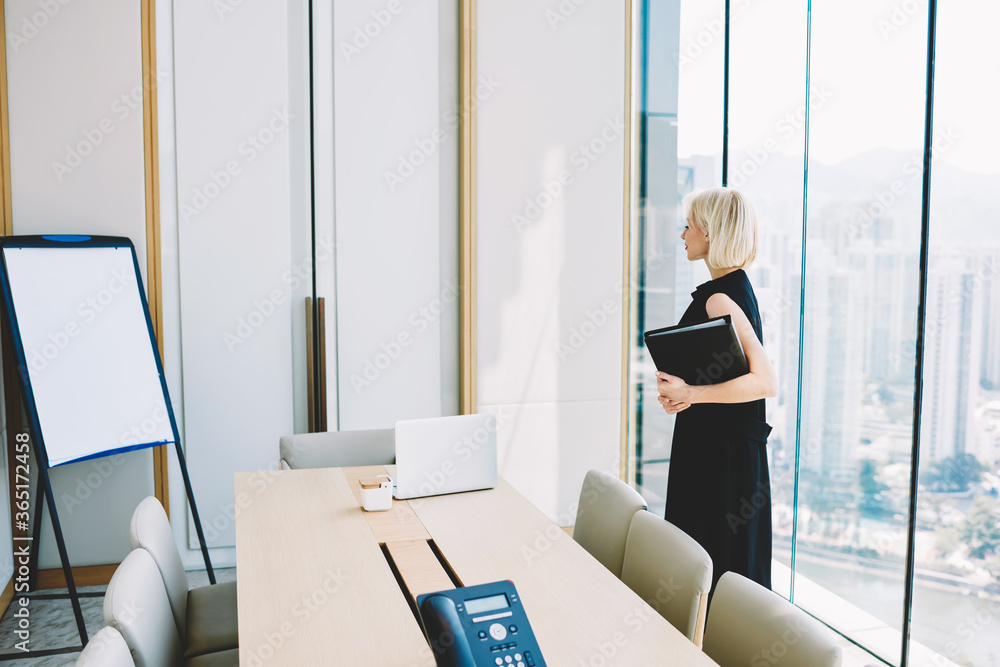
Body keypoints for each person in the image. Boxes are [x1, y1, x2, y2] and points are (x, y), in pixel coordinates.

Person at [655, 187, 778, 593]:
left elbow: (765, 382)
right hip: (717, 451)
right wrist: (685, 393)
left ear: (709, 233)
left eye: (688, 225)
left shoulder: (721, 298)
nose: (683, 234)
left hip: (721, 463)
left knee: (713, 571)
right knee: (714, 571)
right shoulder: (732, 290)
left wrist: (691, 393)